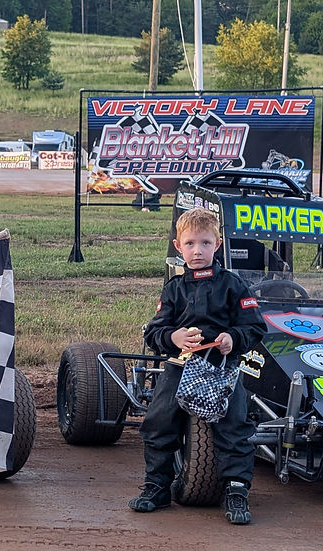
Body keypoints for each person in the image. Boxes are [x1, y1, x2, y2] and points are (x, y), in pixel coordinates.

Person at [129, 208, 266, 525]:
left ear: (217, 244)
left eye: (205, 243)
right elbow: (154, 332)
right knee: (158, 422)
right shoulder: (174, 289)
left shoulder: (234, 285)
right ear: (178, 246)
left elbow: (255, 328)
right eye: (190, 244)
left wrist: (234, 338)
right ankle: (157, 488)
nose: (197, 251)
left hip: (222, 368)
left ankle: (236, 492)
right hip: (180, 366)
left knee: (235, 427)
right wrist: (174, 336)